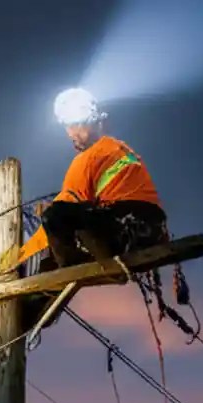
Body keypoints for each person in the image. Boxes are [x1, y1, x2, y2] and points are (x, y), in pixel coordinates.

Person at [18, 88, 169, 276]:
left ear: (96, 122)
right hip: (152, 230)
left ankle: (74, 269)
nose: (72, 133)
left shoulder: (88, 157)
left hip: (123, 229)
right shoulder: (121, 149)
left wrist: (22, 255)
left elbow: (63, 208)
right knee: (65, 216)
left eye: (78, 125)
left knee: (55, 216)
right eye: (69, 126)